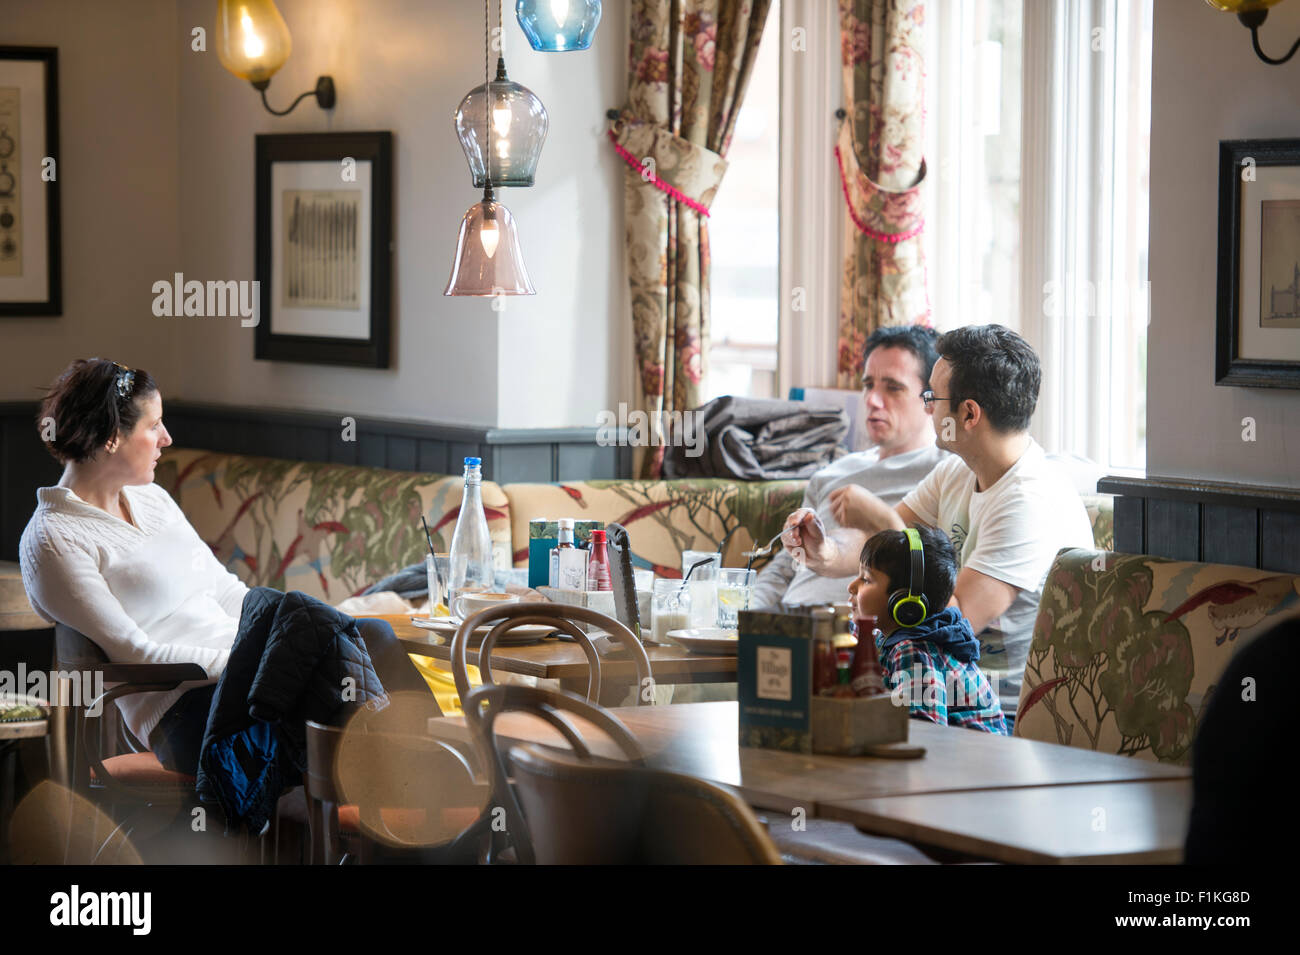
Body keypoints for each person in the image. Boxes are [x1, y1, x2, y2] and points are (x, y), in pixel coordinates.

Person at [18, 358, 431, 776]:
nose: (166, 437)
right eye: (153, 426)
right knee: (358, 698)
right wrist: (253, 659)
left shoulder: (151, 499)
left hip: (250, 680)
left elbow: (225, 590)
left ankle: (427, 797)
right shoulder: (54, 539)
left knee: (368, 635)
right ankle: (426, 805)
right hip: (187, 711)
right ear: (111, 437)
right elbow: (138, 655)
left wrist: (293, 639)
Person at [784, 325, 1093, 719]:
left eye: (931, 397)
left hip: (995, 716)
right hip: (934, 688)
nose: (927, 408)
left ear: (968, 413)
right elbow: (888, 553)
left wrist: (881, 516)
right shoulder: (959, 473)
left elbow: (953, 620)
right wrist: (825, 551)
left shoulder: (1028, 501)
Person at [749, 325, 947, 610]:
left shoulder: (945, 472)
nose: (872, 400)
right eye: (868, 385)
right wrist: (744, 620)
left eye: (893, 387)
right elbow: (786, 567)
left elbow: (929, 573)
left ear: (930, 399)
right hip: (787, 626)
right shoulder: (830, 473)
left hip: (854, 630)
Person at [850, 526, 1007, 733]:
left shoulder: (913, 651)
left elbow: (922, 733)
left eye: (866, 579)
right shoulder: (886, 636)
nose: (851, 586)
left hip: (975, 757)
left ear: (906, 603)